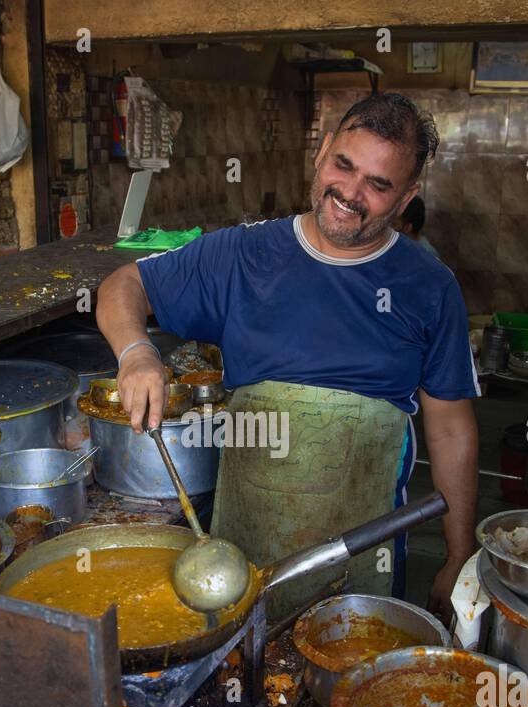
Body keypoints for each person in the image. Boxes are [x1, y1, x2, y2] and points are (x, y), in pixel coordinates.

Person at [96, 92, 479, 623]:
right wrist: (136, 352)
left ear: (407, 195)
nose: (350, 192)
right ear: (322, 153)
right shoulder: (243, 255)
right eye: (344, 165)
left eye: (378, 183)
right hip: (242, 557)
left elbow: (451, 428)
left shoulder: (430, 287)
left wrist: (459, 554)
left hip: (363, 557)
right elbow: (124, 284)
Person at [395, 195, 442, 260]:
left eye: (394, 224)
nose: (389, 228)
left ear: (407, 228)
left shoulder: (428, 255)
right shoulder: (401, 245)